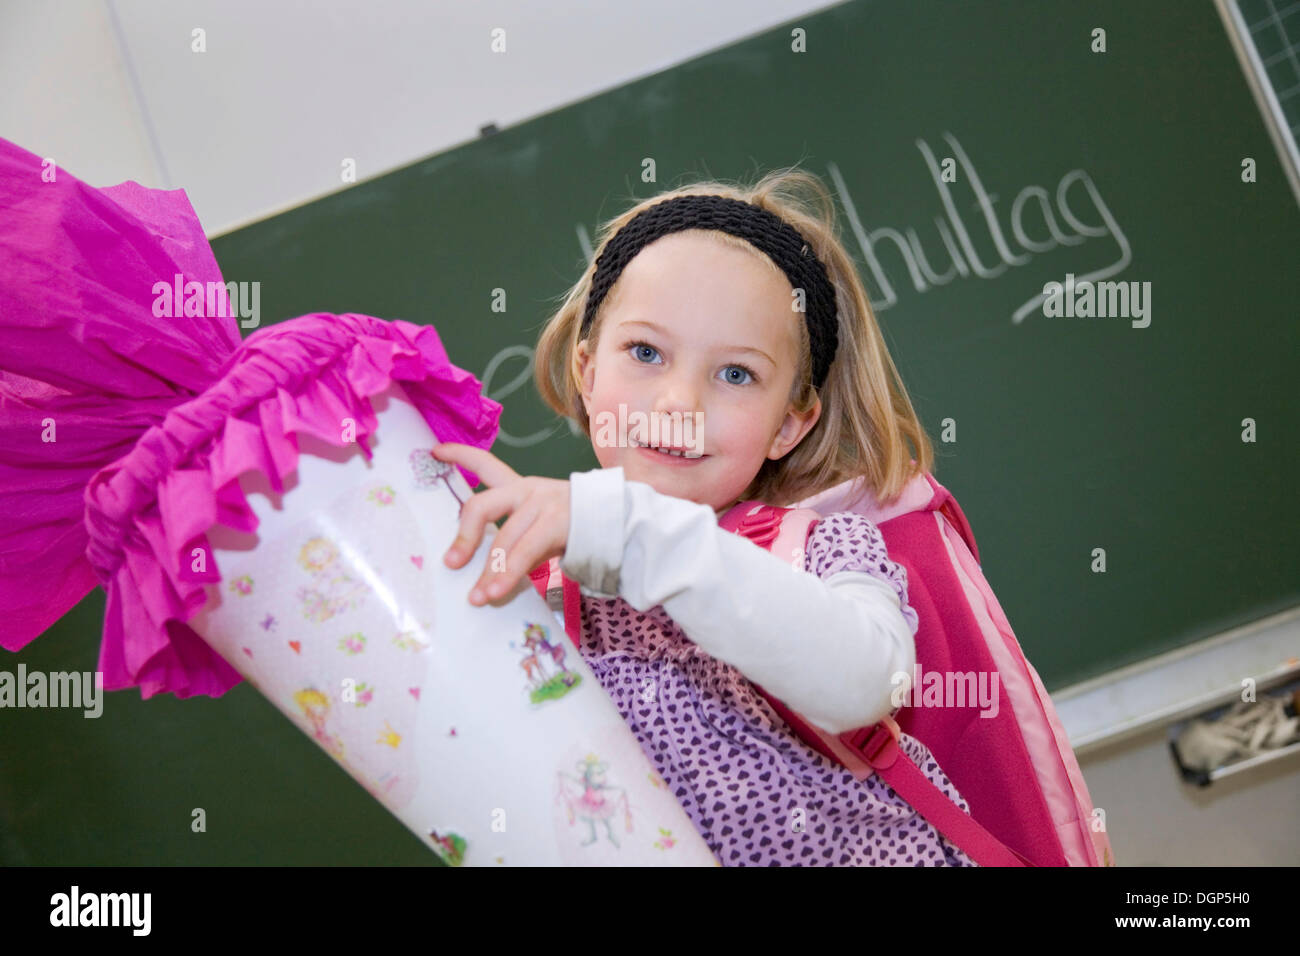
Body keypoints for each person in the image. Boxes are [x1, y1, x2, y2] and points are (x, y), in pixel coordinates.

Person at [431, 171, 980, 866]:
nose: (678, 402)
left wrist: (634, 534)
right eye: (646, 353)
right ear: (586, 371)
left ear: (790, 424)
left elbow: (867, 684)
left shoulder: (820, 548)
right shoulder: (533, 596)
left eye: (736, 374)